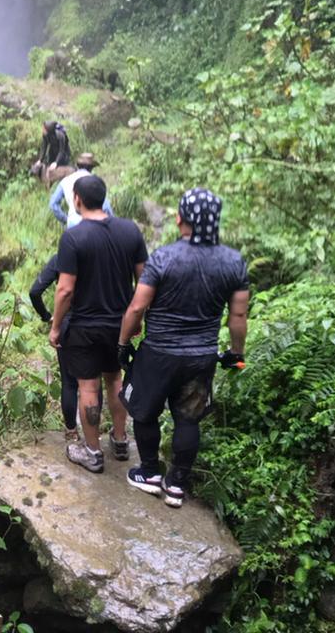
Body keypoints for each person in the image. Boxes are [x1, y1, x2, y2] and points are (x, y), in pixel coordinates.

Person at [118, 187, 249, 508]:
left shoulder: (164, 257)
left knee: (144, 412)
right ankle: (176, 486)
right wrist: (236, 354)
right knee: (188, 420)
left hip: (158, 354)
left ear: (181, 219)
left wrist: (123, 343)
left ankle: (149, 472)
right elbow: (239, 315)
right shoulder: (234, 262)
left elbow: (137, 308)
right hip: (201, 357)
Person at [49, 175, 148, 473]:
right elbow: (144, 279)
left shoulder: (73, 237)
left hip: (84, 326)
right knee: (115, 380)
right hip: (119, 324)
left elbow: (65, 290)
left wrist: (55, 326)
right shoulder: (130, 231)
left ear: (76, 199)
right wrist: (137, 318)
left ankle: (92, 452)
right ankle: (120, 441)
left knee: (88, 388)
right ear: (104, 198)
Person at [29, 252, 102, 443]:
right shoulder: (100, 253)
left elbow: (35, 291)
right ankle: (94, 433)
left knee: (69, 382)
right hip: (98, 323)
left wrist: (47, 317)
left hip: (68, 326)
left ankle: (71, 431)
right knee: (93, 383)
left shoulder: (62, 257)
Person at [48, 152, 112, 226]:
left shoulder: (65, 181)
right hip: (93, 223)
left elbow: (53, 204)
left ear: (77, 166)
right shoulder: (95, 182)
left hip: (73, 222)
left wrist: (65, 219)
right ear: (91, 168)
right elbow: (106, 207)